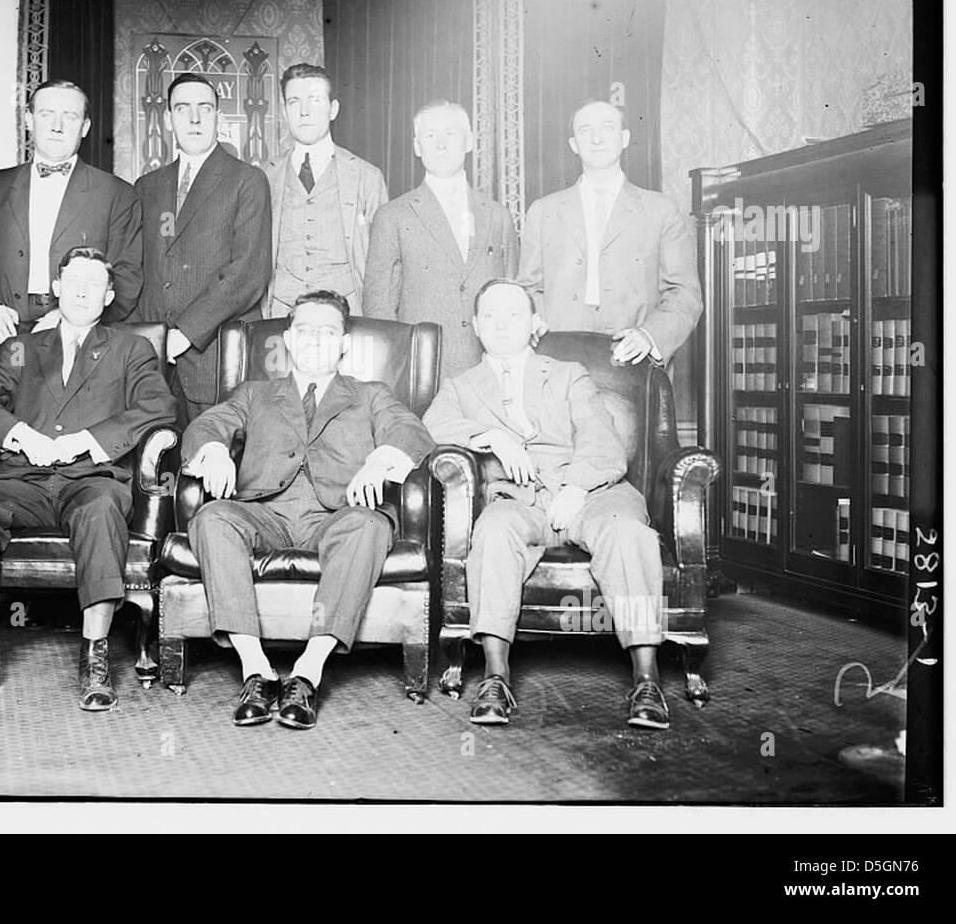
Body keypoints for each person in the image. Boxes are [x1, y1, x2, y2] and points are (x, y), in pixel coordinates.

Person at [0, 246, 177, 712]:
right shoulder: (23, 349)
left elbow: (159, 407)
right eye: (74, 280)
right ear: (57, 289)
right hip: (24, 477)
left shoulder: (132, 349)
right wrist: (17, 432)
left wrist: (88, 439)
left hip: (91, 477)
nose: (83, 290)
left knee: (102, 506)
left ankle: (95, 656)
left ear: (109, 296)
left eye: (95, 283)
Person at [423, 278, 671, 729]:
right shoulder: (461, 386)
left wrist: (576, 488)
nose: (501, 324)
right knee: (493, 529)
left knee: (628, 533)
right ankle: (496, 677)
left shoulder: (567, 373)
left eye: (514, 314)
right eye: (491, 316)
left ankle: (646, 678)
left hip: (592, 491)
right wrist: (492, 436)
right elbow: (432, 425)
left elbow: (600, 437)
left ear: (535, 324)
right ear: (476, 325)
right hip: (521, 499)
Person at [181, 289, 435, 730]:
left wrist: (379, 461)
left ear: (343, 343)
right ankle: (256, 669)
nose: (315, 339)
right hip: (265, 514)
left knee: (370, 525)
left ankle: (308, 671)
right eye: (305, 331)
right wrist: (216, 452)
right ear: (288, 340)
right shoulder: (256, 393)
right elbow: (207, 423)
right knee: (212, 517)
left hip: (338, 516)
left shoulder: (370, 394)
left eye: (327, 331)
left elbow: (411, 430)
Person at [0, 80, 144, 344]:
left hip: (82, 342)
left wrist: (71, 318)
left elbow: (126, 278)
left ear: (85, 127)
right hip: (7, 339)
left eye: (70, 116)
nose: (57, 126)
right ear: (29, 120)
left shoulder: (118, 195)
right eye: (46, 114)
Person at [517, 99, 702, 367]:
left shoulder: (660, 210)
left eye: (607, 127)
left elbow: (685, 293)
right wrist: (535, 320)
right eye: (585, 130)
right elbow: (527, 288)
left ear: (625, 138)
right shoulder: (542, 211)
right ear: (573, 144)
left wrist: (649, 336)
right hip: (557, 356)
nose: (596, 138)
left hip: (632, 359)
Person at [135, 72, 272, 425]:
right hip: (155, 364)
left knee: (211, 465)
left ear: (217, 118)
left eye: (204, 109)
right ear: (168, 120)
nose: (194, 119)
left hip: (214, 357)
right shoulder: (147, 186)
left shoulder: (247, 180)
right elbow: (137, 270)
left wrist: (186, 333)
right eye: (182, 109)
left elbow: (247, 274)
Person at [363, 99, 519, 379]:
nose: (441, 144)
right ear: (416, 146)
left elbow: (514, 298)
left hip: (490, 372)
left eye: (451, 134)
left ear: (469, 141)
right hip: (423, 372)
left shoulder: (499, 216)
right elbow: (379, 309)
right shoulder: (392, 216)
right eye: (430, 136)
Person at [261, 63, 388, 318]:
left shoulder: (367, 177)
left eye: (315, 100)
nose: (304, 112)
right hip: (279, 321)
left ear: (333, 109)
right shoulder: (264, 176)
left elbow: (384, 268)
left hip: (348, 320)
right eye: (294, 102)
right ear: (284, 111)